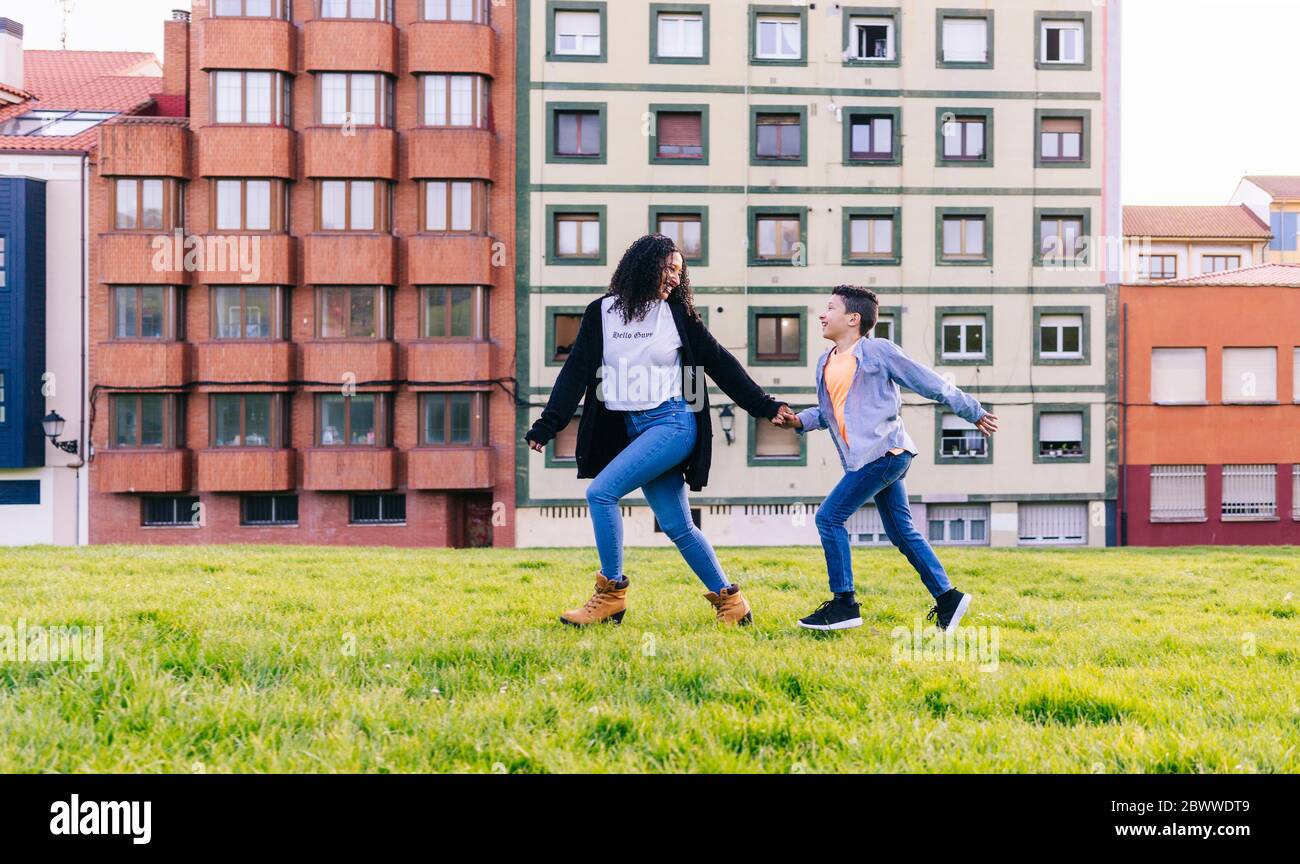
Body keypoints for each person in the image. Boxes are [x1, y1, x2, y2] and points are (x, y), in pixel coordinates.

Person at [525, 234, 791, 627]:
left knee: (601, 493)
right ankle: (733, 605)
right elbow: (576, 370)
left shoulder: (678, 316)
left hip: (672, 423)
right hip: (633, 428)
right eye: (667, 269)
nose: (673, 279)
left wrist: (765, 406)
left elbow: (721, 364)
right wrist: (549, 423)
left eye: (679, 273)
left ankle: (611, 595)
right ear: (641, 266)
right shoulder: (602, 313)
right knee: (678, 525)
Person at [774, 286, 998, 633]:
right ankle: (949, 598)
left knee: (828, 518)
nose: (822, 314)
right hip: (868, 459)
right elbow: (829, 412)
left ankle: (844, 604)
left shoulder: (877, 351)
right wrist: (799, 421)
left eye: (830, 308)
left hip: (886, 453)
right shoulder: (827, 361)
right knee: (902, 532)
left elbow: (930, 383)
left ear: (853, 318)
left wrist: (972, 411)